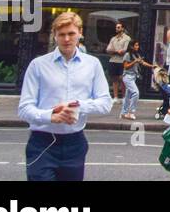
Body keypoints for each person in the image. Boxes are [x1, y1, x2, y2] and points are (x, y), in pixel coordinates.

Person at [17, 11, 114, 180]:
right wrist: (51, 116)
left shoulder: (92, 65)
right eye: (61, 34)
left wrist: (77, 105)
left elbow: (105, 103)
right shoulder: (38, 65)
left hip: (75, 143)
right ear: (54, 35)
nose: (67, 39)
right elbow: (24, 109)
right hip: (42, 142)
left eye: (71, 33)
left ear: (80, 33)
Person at [120, 40, 156, 121]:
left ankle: (123, 113)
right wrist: (134, 61)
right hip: (127, 77)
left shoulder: (136, 54)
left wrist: (152, 66)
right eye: (136, 45)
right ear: (131, 46)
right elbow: (125, 66)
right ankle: (131, 112)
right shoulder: (127, 55)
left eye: (138, 45)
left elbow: (143, 63)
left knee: (128, 96)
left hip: (133, 77)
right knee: (136, 93)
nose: (137, 47)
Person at [105, 20, 132, 100]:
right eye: (116, 27)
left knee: (123, 79)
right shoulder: (113, 38)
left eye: (118, 27)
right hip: (113, 60)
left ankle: (124, 97)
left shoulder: (127, 38)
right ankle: (115, 97)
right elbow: (108, 49)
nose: (116, 29)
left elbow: (124, 50)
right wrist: (117, 51)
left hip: (122, 61)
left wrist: (114, 51)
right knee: (114, 79)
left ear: (122, 28)